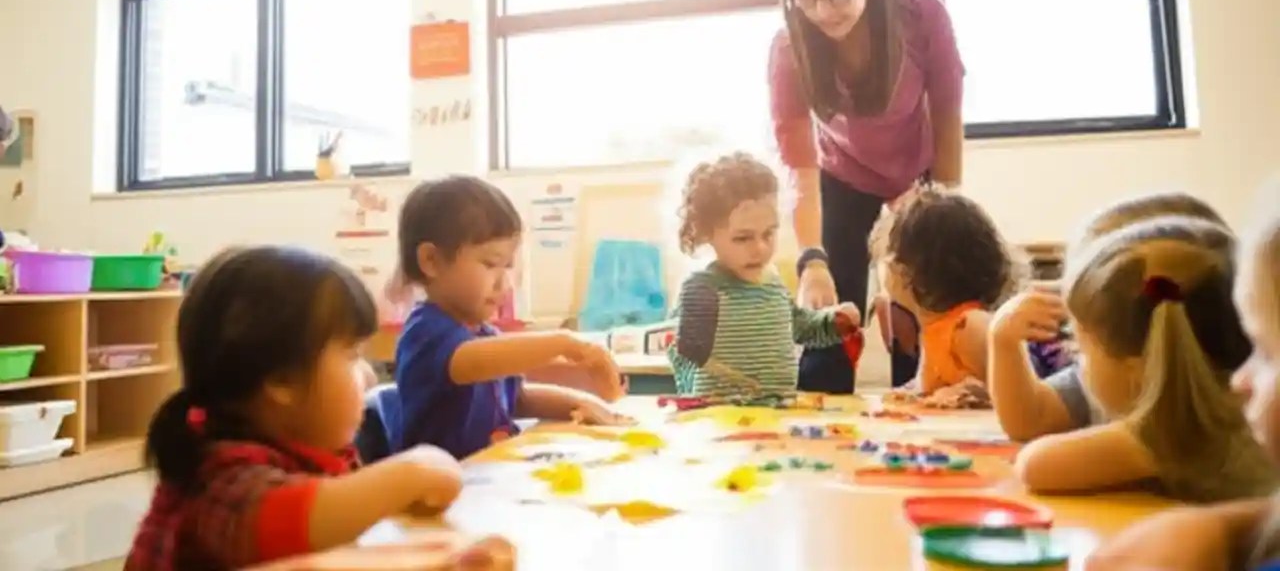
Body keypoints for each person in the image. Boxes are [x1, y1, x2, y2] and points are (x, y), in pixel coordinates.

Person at [125, 246, 467, 571]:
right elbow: (297, 521)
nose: (367, 376)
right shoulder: (219, 477)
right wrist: (412, 470)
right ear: (282, 380)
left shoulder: (310, 448)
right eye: (351, 355)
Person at [770, 0, 965, 393]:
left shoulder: (922, 16)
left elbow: (946, 115)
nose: (822, 11)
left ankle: (923, 405)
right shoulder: (789, 48)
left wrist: (935, 219)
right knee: (830, 320)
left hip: (917, 178)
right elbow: (801, 167)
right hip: (841, 179)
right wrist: (812, 260)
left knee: (915, 318)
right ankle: (820, 431)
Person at [1085, 186, 1280, 571]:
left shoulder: (1184, 426)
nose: (1241, 380)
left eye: (1265, 351)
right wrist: (1221, 529)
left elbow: (1036, 463)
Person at [1015, 217, 1277, 501]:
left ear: (1136, 368)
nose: (1078, 368)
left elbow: (1035, 465)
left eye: (1081, 352)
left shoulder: (1178, 431)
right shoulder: (1231, 414)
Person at [392, 176, 629, 460]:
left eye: (508, 266)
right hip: (440, 493)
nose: (504, 284)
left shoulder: (483, 334)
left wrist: (581, 403)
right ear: (431, 261)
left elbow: (518, 399)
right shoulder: (426, 333)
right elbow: (473, 362)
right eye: (491, 264)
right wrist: (564, 343)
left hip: (488, 476)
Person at [990, 191, 1228, 441]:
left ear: (1133, 365)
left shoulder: (1223, 420)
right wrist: (1003, 342)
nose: (1077, 353)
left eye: (1083, 343)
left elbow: (1037, 462)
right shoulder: (1092, 377)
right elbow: (1030, 420)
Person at [668, 152, 862, 400]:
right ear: (706, 234)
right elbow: (684, 356)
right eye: (743, 238)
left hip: (778, 410)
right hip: (718, 416)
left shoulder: (773, 283)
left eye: (768, 234)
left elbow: (800, 326)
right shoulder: (703, 288)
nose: (759, 248)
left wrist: (832, 322)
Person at [868, 185, 1033, 407]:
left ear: (907, 269)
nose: (885, 264)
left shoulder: (969, 326)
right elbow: (929, 386)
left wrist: (976, 391)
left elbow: (1025, 392)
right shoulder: (931, 328)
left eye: (889, 254)